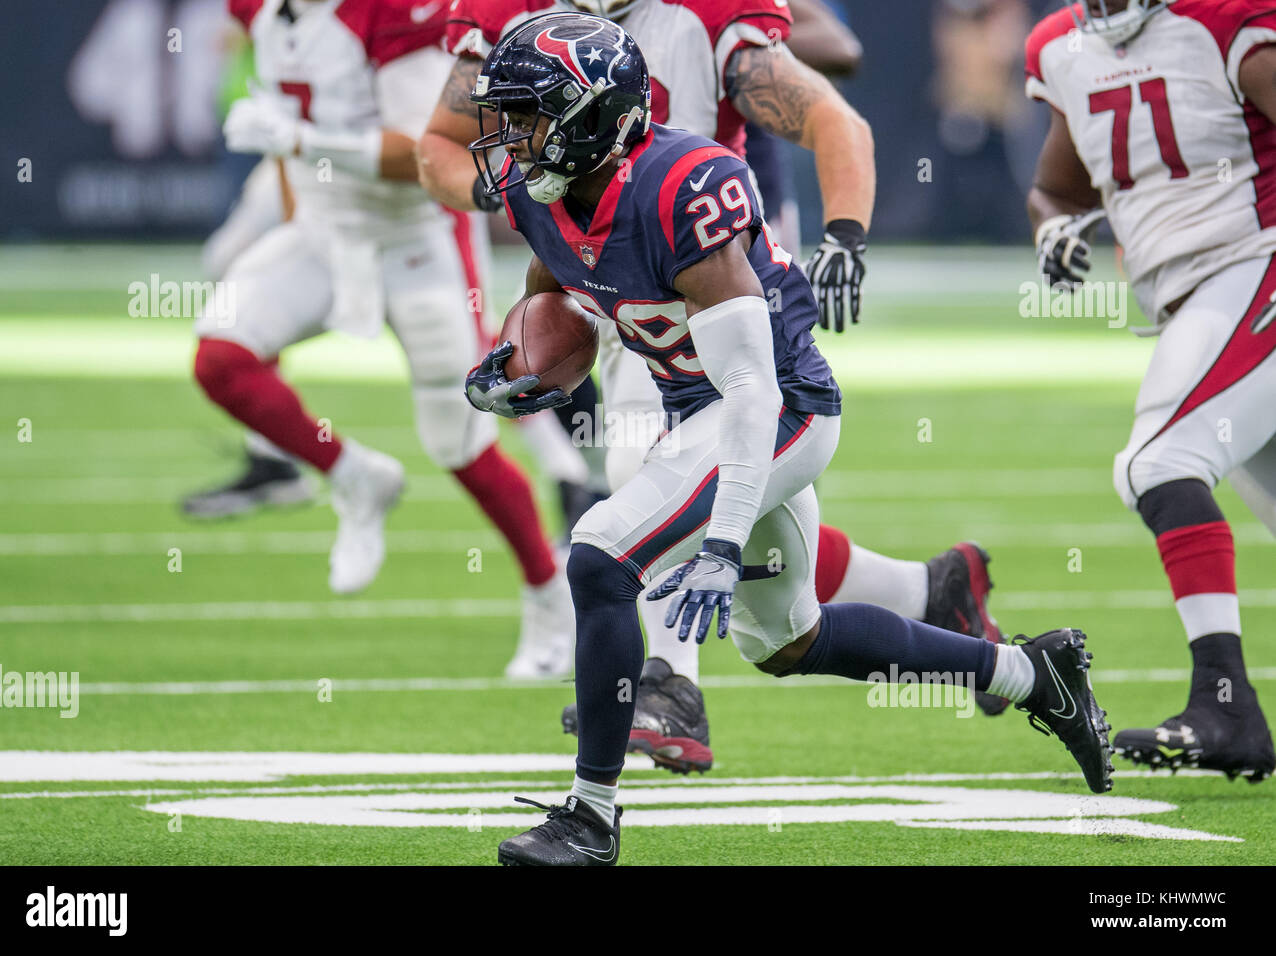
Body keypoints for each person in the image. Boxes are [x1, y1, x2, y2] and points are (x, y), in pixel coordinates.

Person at [463, 11, 1114, 864]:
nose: (511, 137)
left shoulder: (683, 186)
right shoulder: (536, 191)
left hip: (781, 412)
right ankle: (1037, 674)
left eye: (532, 116)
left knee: (598, 554)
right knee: (786, 640)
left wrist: (724, 541)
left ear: (593, 118)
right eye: (506, 116)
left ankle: (589, 817)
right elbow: (561, 295)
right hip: (699, 408)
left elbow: (750, 388)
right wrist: (524, 359)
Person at [192, 0, 574, 677]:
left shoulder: (391, 12)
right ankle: (354, 476)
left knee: (460, 443)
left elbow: (426, 151)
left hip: (415, 241)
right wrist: (293, 194)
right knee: (222, 358)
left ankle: (550, 596)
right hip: (323, 231)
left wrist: (303, 142)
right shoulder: (259, 9)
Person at [1024, 0, 1275, 780]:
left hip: (1255, 261)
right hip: (1189, 299)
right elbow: (1057, 188)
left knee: (1158, 462)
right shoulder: (1060, 46)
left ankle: (1225, 704)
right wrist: (1055, 228)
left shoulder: (1225, 19)